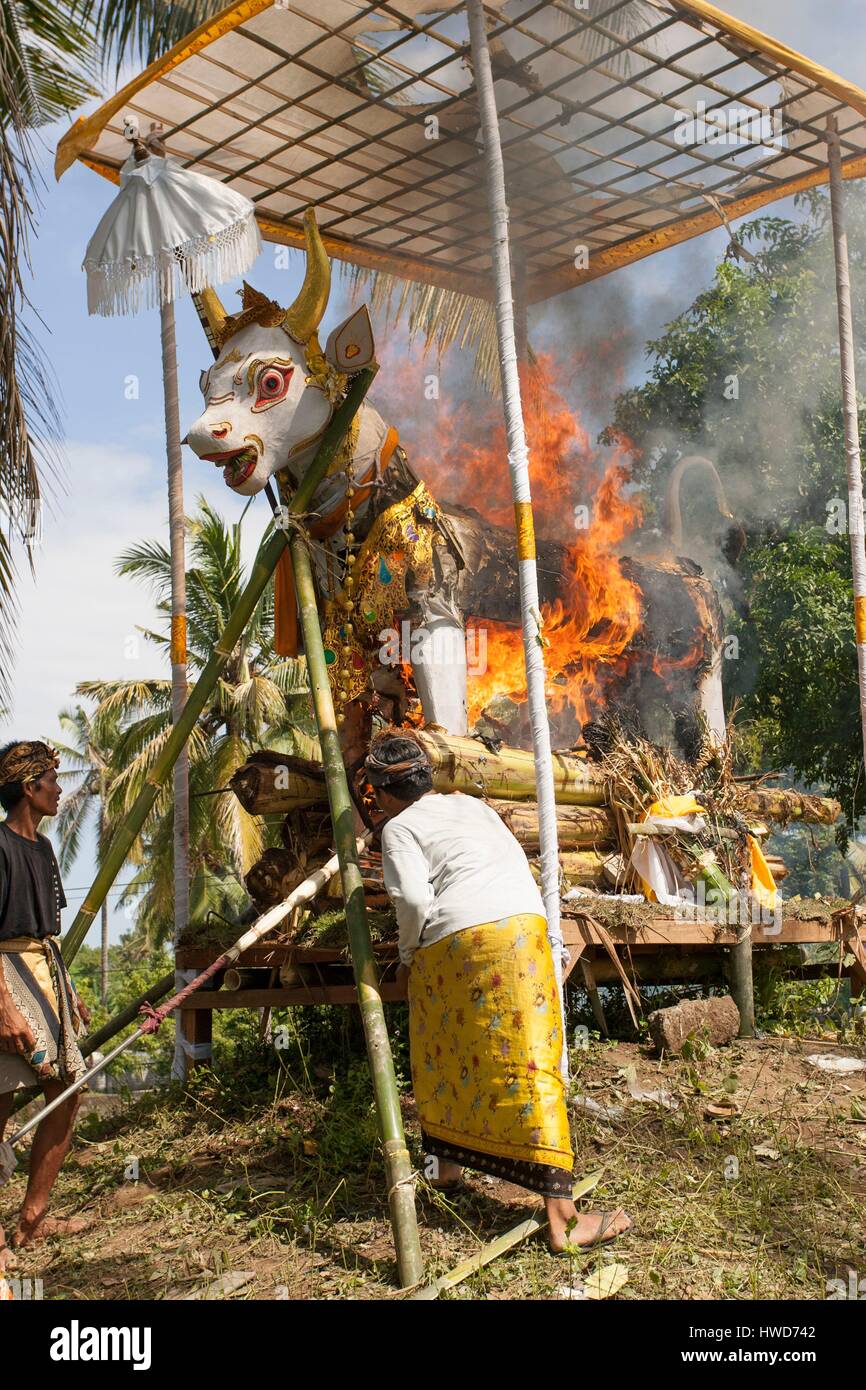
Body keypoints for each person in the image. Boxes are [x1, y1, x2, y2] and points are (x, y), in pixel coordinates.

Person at [368, 730, 631, 1253]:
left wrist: (404, 956)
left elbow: (415, 902)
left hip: (457, 940)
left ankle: (560, 1222)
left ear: (379, 792)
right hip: (523, 929)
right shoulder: (470, 804)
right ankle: (447, 1171)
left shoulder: (397, 828)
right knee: (530, 1063)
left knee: (442, 1053)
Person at [0, 741, 90, 1270]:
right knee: (3, 1101)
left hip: (44, 973)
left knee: (67, 1091)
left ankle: (32, 1217)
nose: (59, 789)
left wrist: (69, 990)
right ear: (30, 788)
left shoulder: (45, 848)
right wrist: (6, 1010)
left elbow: (45, 935)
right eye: (51, 781)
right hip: (6, 979)